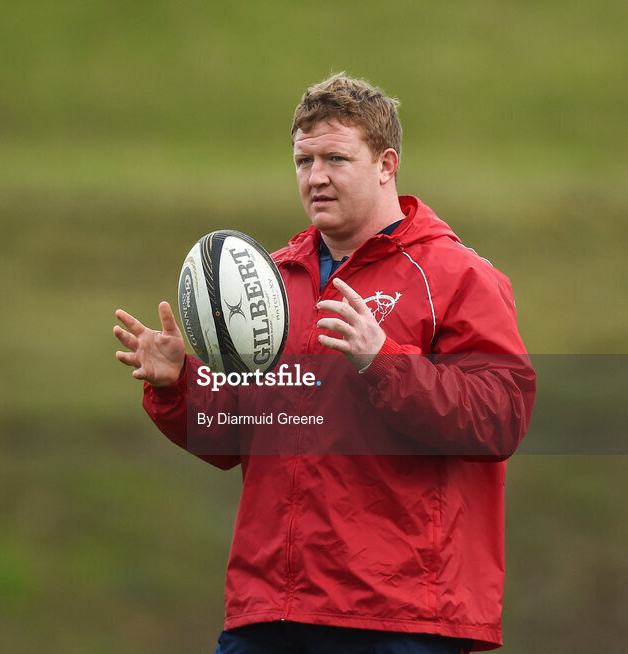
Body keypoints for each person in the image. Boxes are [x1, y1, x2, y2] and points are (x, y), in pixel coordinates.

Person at [113, 74, 536, 653]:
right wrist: (179, 385)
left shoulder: (455, 276)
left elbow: (501, 417)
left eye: (336, 158)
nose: (316, 178)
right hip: (269, 613)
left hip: (396, 618)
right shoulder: (273, 282)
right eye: (303, 160)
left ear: (386, 165)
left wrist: (382, 361)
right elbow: (238, 434)